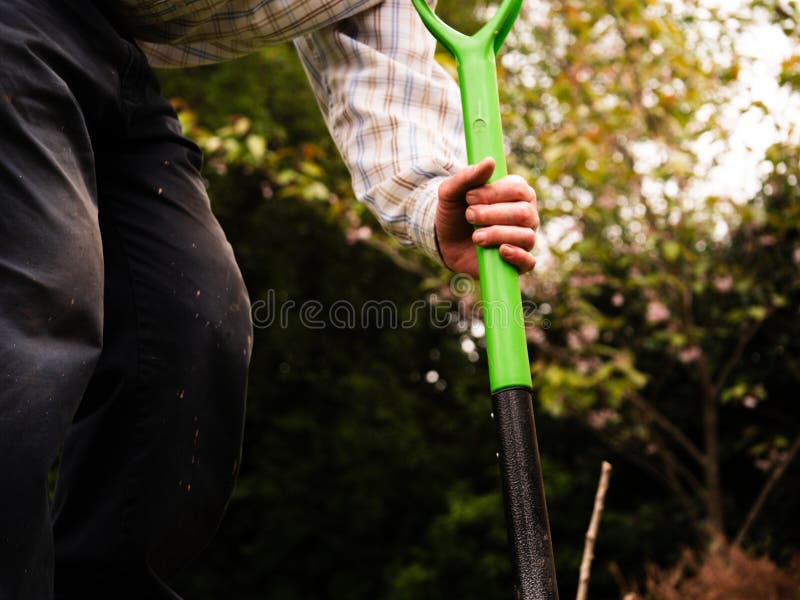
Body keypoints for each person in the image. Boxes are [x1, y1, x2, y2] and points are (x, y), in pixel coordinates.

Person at [0, 0, 539, 597]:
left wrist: (430, 201)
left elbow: (377, 63)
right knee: (40, 305)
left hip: (108, 50)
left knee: (191, 319)